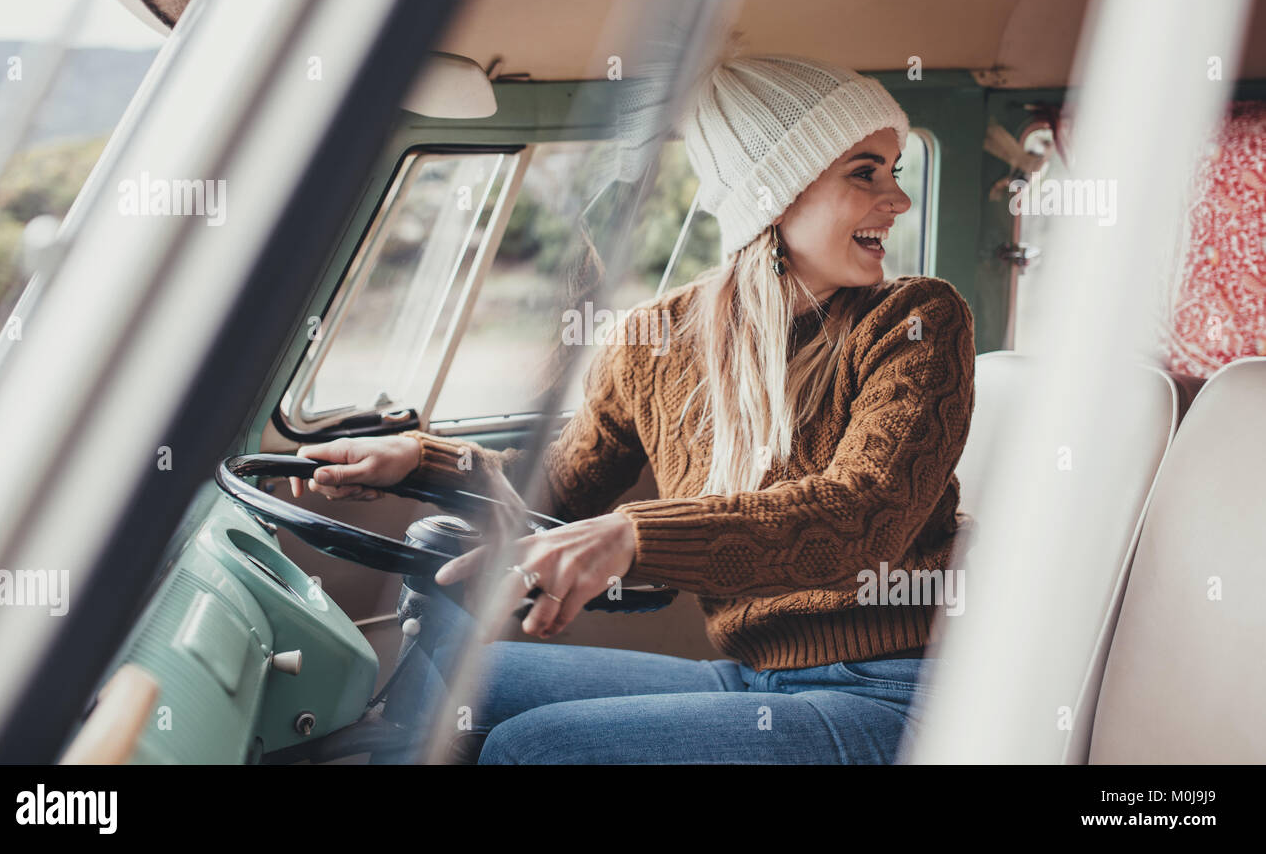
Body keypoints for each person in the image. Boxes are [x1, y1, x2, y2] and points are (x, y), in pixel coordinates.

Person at [289, 54, 976, 764]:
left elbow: (863, 519)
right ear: (776, 191)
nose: (898, 200)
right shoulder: (657, 340)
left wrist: (630, 537)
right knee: (442, 681)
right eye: (865, 172)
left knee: (534, 750)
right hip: (754, 678)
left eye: (893, 171)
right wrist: (421, 460)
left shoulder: (916, 319)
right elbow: (558, 487)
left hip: (897, 692)